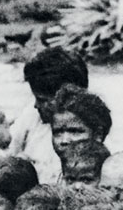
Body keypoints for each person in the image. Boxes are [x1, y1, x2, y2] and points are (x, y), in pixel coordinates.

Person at [6, 48, 89, 183]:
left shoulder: (89, 130)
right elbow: (6, 145)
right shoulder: (33, 117)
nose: (36, 105)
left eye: (42, 100)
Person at [49, 85, 113, 164]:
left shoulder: (112, 173)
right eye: (57, 132)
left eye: (74, 131)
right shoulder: (49, 172)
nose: (64, 141)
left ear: (98, 135)